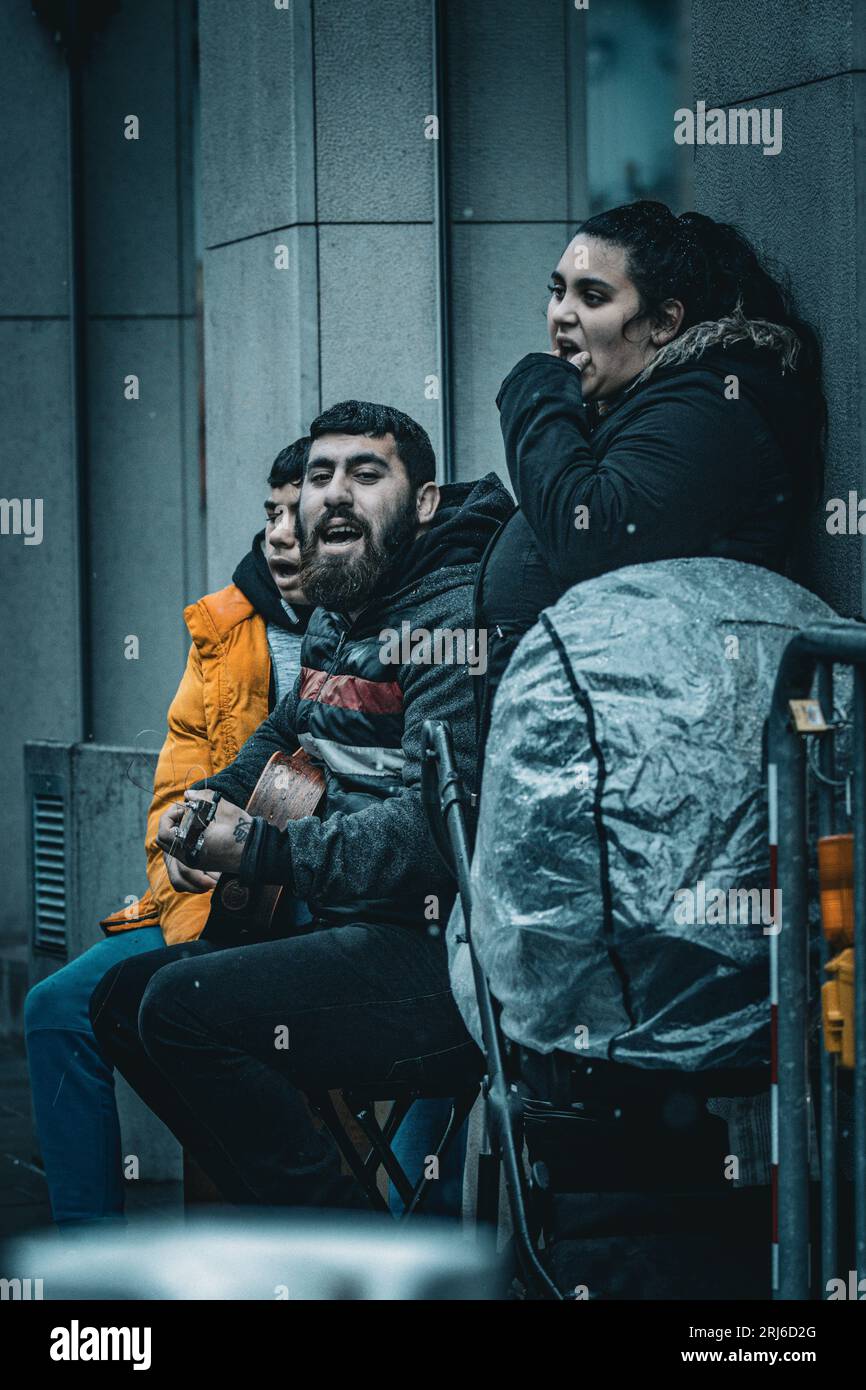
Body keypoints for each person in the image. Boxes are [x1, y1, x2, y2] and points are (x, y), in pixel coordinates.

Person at [89, 401, 515, 1213]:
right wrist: (206, 805)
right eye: (321, 476)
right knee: (117, 1004)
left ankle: (352, 1262)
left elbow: (436, 835)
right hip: (343, 928)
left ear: (423, 502)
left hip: (440, 959)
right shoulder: (339, 610)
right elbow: (281, 735)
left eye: (366, 472)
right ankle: (307, 1229)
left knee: (183, 1011)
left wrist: (264, 850)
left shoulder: (453, 618)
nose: (336, 494)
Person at [24, 438, 313, 1229]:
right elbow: (175, 790)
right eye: (271, 513)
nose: (281, 533)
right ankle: (91, 1263)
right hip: (214, 908)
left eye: (301, 514)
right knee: (56, 1006)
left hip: (319, 908)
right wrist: (179, 859)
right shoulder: (223, 632)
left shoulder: (377, 625)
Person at [475, 199, 826, 753]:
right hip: (592, 752)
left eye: (593, 297)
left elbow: (588, 538)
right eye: (558, 290)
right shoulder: (631, 404)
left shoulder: (709, 412)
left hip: (642, 765)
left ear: (664, 322)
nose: (562, 314)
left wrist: (537, 393)